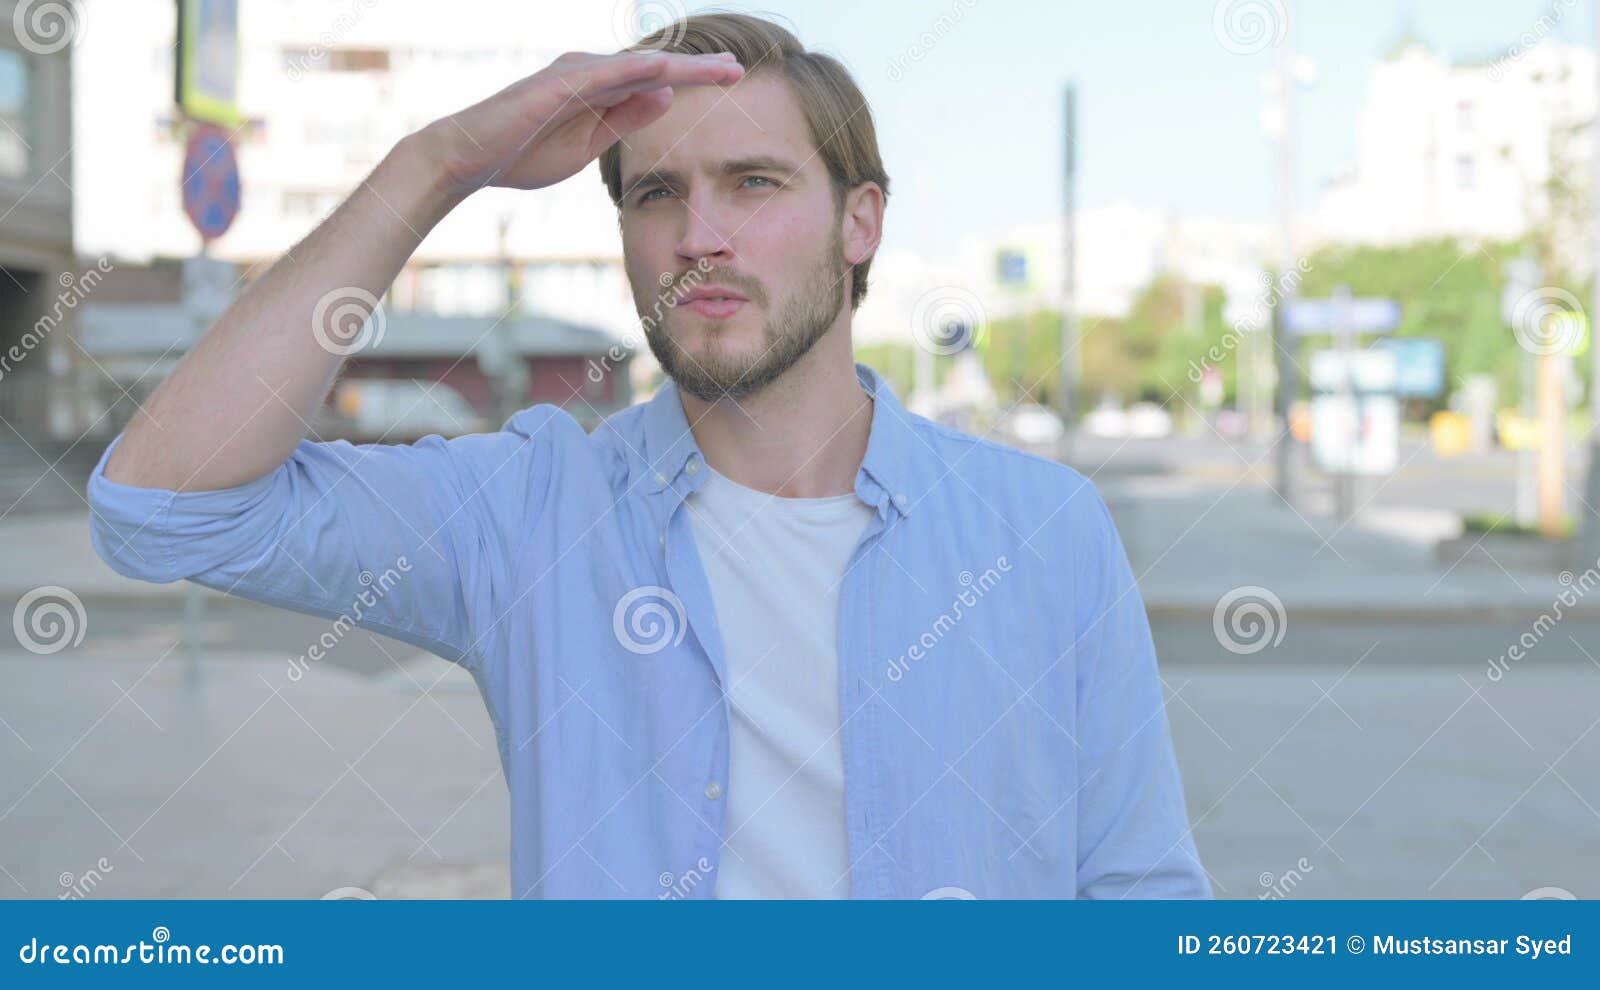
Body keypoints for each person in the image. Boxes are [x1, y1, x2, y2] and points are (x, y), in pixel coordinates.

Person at [87, 12, 1209, 899]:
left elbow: (1138, 893)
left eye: (754, 183)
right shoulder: (530, 510)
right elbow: (164, 505)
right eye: (657, 193)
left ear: (859, 223)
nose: (699, 234)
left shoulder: (1040, 528)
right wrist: (435, 165)